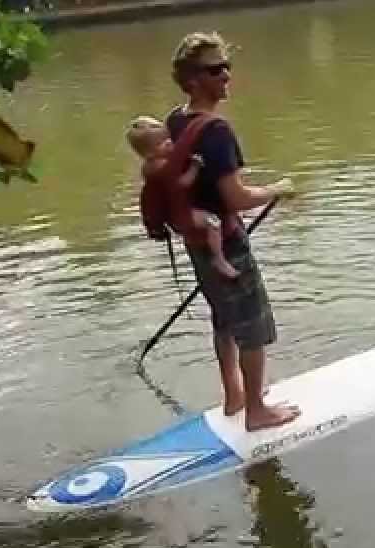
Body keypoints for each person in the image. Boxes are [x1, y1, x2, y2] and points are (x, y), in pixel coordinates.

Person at [166, 31, 298, 431]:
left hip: (198, 241)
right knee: (254, 326)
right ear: (192, 79)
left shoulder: (177, 119)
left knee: (223, 318)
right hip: (226, 242)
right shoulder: (217, 130)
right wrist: (277, 189)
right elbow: (236, 197)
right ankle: (256, 411)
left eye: (227, 66)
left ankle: (234, 397)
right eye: (214, 69)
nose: (226, 75)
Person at [127, 115, 240, 280]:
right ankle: (219, 259)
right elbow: (183, 183)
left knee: (213, 221)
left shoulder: (156, 163)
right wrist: (194, 166)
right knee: (213, 222)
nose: (169, 144)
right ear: (149, 153)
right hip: (181, 215)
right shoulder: (160, 167)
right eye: (162, 144)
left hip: (179, 210)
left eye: (168, 139)